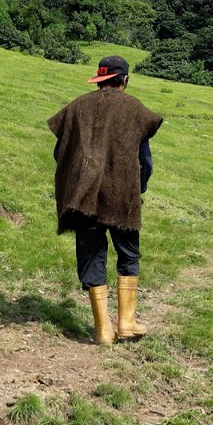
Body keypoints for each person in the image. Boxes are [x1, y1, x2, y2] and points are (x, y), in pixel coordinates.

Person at [49, 55, 164, 345]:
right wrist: (138, 188)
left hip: (83, 196)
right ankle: (126, 322)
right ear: (124, 79)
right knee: (128, 254)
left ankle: (102, 330)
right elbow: (145, 162)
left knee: (91, 254)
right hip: (122, 196)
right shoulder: (135, 109)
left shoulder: (77, 106)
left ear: (99, 79)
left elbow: (58, 153)